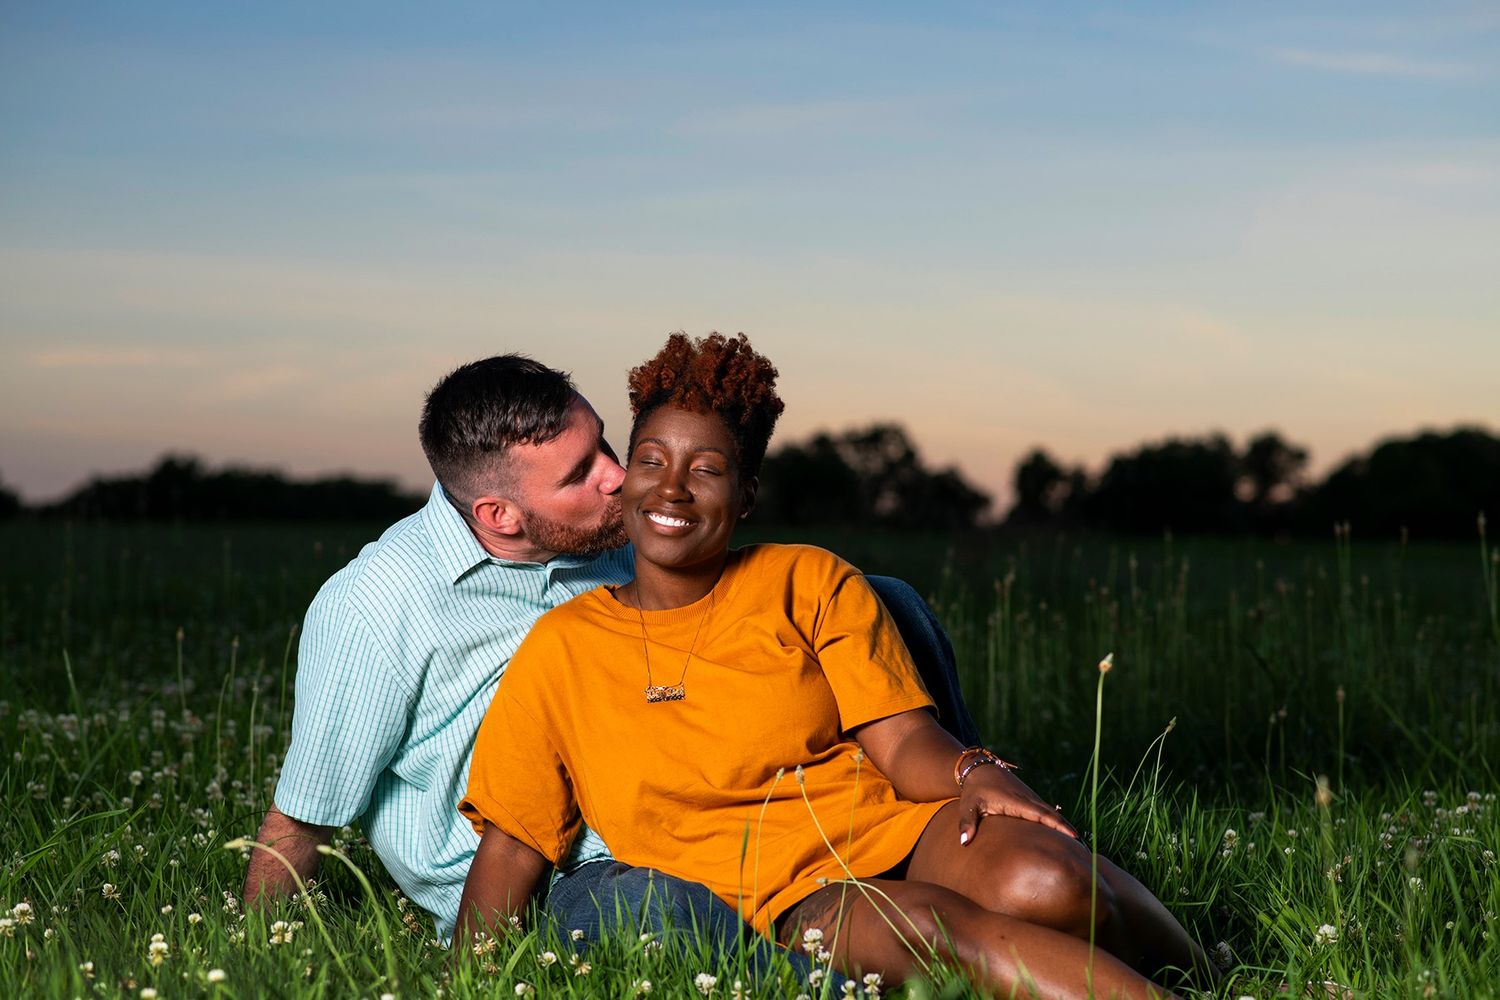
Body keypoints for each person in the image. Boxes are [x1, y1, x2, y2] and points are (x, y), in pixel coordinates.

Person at [457, 334, 1217, 998]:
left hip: (897, 834)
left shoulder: (808, 580)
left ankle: (1215, 970)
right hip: (793, 900)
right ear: (627, 478)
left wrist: (974, 772)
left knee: (1051, 882)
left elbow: (904, 741)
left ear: (747, 492)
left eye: (708, 469)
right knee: (941, 933)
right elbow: (514, 842)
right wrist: (467, 977)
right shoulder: (561, 647)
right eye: (651, 459)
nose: (674, 487)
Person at [242, 352, 976, 963]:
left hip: (681, 809)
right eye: (578, 476)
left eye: (603, 445)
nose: (618, 477)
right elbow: (299, 821)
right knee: (659, 911)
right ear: (500, 516)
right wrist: (252, 954)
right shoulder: (376, 604)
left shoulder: (606, 538)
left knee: (887, 599)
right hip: (555, 869)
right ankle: (840, 975)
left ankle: (970, 814)